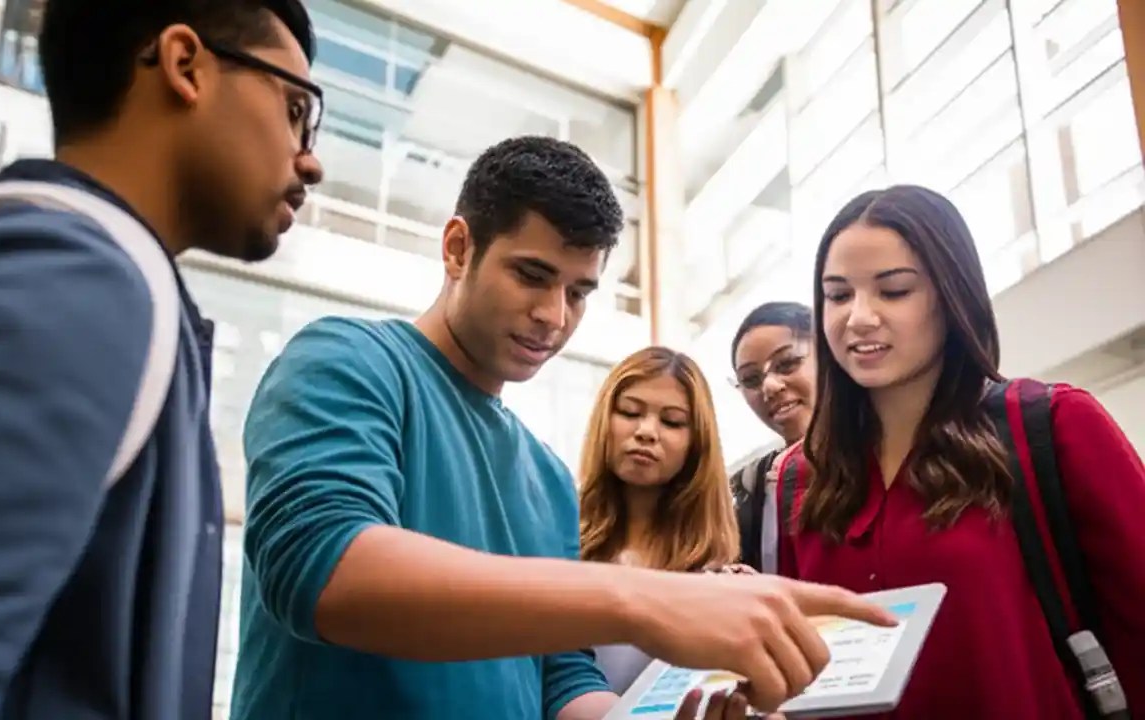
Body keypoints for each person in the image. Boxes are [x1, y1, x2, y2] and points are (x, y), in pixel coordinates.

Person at [233, 135, 894, 720]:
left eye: (579, 292)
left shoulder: (546, 477)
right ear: (459, 248)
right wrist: (645, 599)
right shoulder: (348, 361)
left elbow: (562, 676)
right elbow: (324, 571)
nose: (554, 315)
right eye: (532, 275)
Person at [0, 1, 323, 718]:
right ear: (183, 65)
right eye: (295, 108)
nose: (311, 159)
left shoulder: (83, 278)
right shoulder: (75, 281)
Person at [776, 185, 1145, 718]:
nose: (858, 317)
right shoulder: (799, 477)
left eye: (894, 291)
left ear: (952, 295)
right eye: (837, 295)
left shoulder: (1051, 424)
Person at [577, 346, 745, 694]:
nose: (646, 432)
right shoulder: (558, 537)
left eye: (672, 421)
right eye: (629, 412)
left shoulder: (718, 574)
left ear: (696, 442)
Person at [728, 301, 814, 573]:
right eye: (751, 380)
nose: (770, 387)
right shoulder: (748, 488)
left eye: (787, 364)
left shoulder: (895, 454)